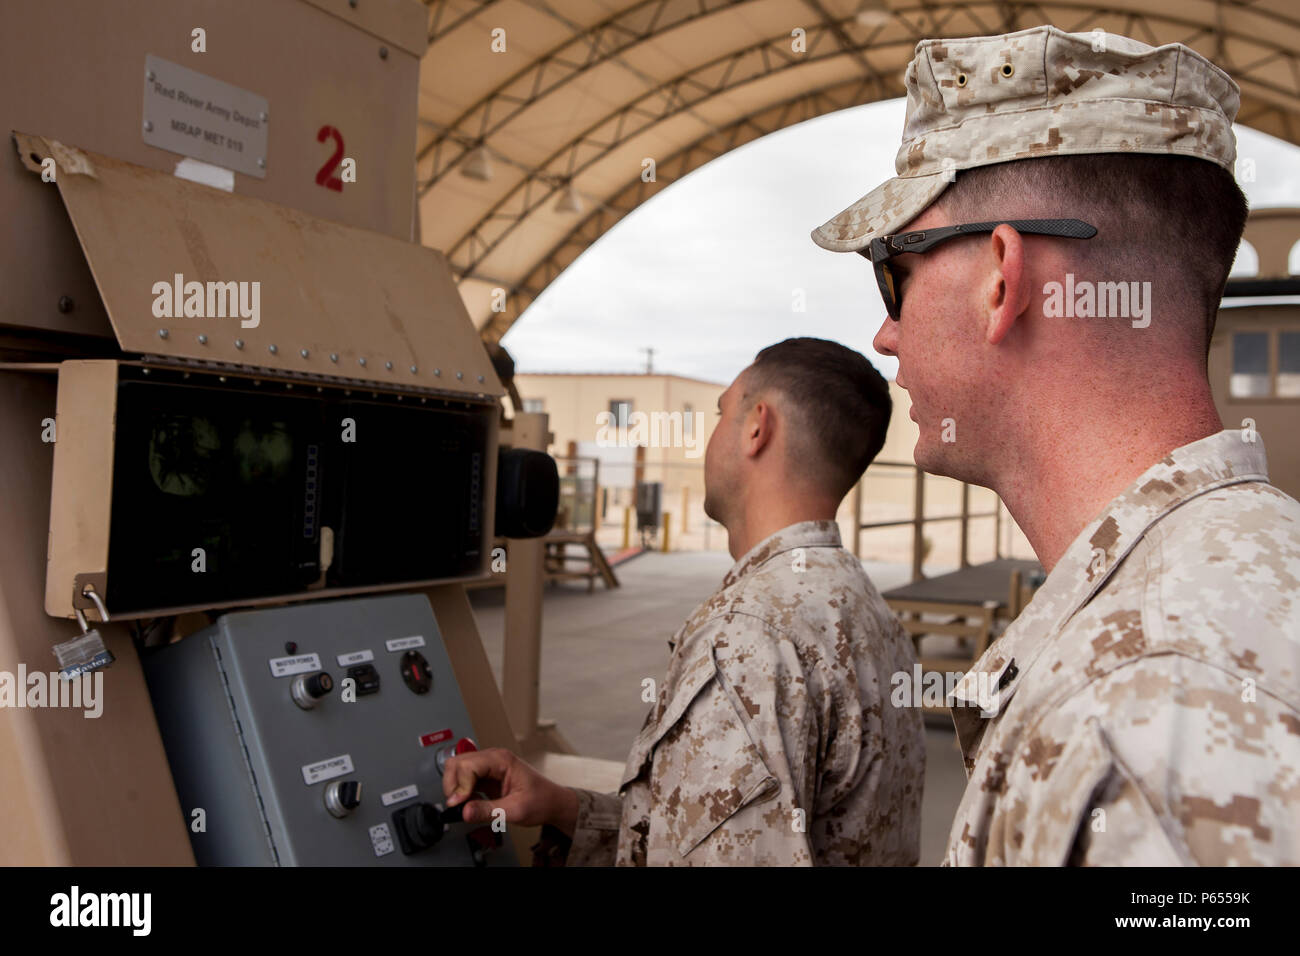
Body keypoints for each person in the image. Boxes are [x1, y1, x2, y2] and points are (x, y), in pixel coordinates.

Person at [811, 24, 1300, 865]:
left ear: (1002, 279)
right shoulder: (1255, 570)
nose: (886, 335)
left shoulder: (1134, 720)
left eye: (895, 272)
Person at [443, 337, 925, 865]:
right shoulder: (867, 610)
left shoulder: (749, 634)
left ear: (757, 427)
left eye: (721, 413)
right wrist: (563, 808)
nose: (709, 441)